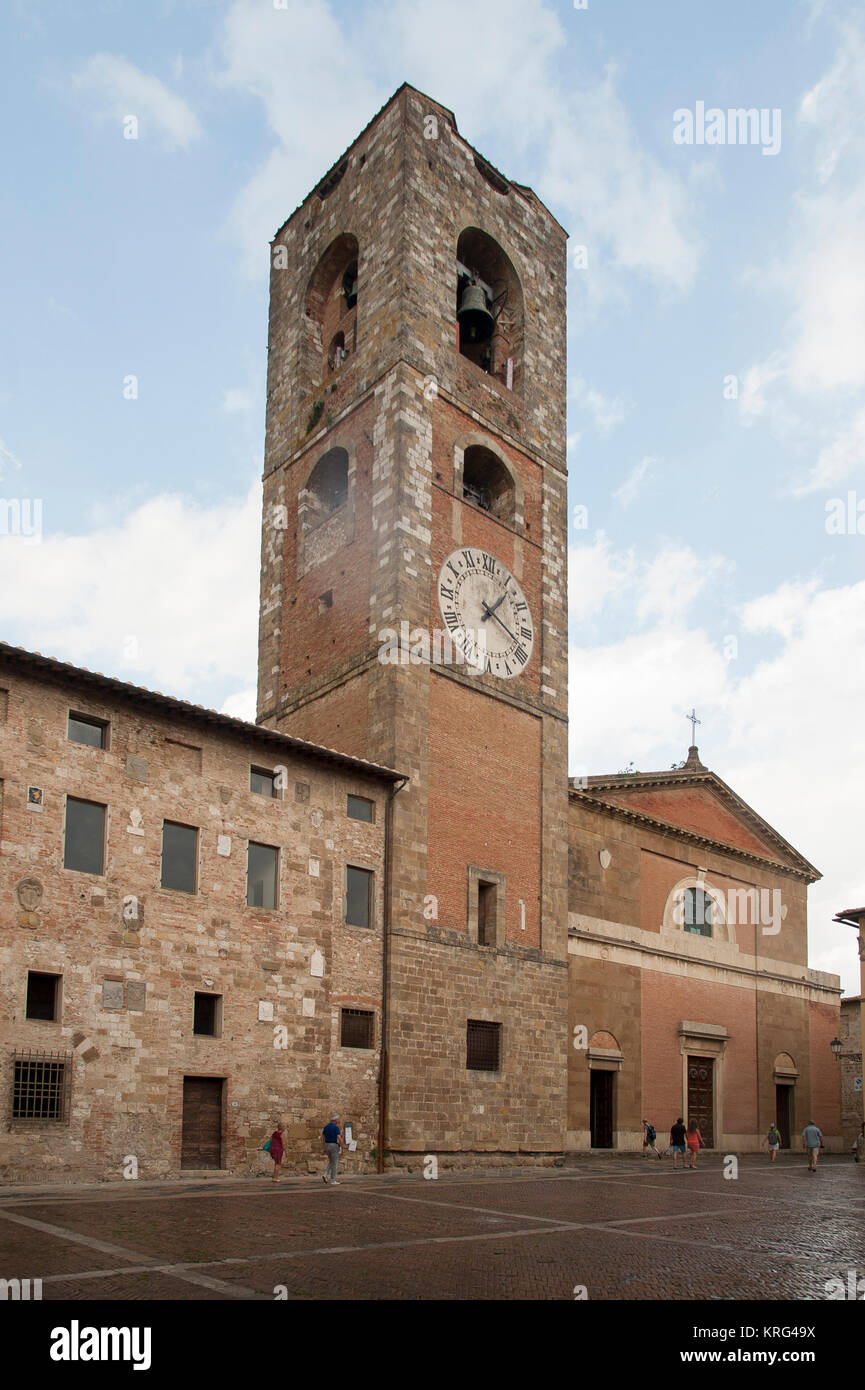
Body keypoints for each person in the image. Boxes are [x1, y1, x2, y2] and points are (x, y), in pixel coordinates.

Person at [322, 1114, 345, 1186]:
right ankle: (333, 1180)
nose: (338, 1121)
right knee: (335, 1163)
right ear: (335, 1120)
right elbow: (339, 1137)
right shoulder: (336, 1127)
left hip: (327, 1145)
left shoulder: (326, 1127)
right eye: (338, 1119)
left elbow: (322, 1137)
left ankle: (325, 1174)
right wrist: (342, 1146)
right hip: (334, 1145)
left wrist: (323, 1147)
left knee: (331, 1161)